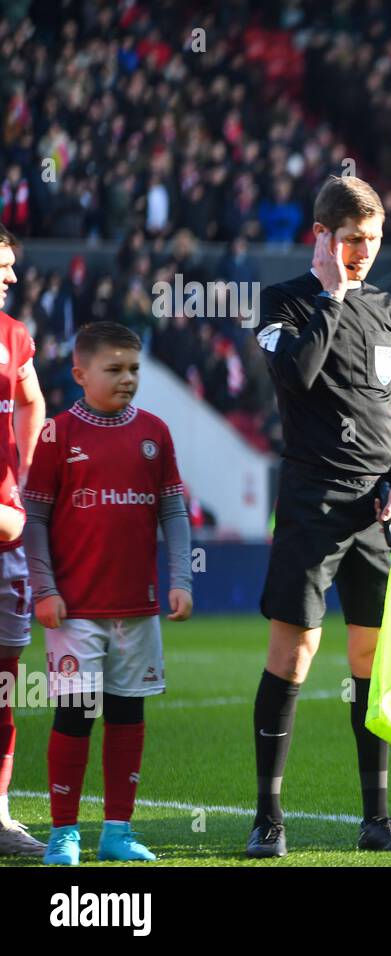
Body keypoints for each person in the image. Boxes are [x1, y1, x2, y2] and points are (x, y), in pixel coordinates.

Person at [249, 176, 391, 858]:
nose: (364, 253)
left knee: (371, 660)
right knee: (294, 653)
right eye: (352, 240)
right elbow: (297, 376)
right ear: (320, 237)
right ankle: (268, 817)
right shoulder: (281, 304)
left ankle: (376, 820)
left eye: (373, 242)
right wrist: (331, 297)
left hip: (380, 509)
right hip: (310, 502)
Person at [24, 322, 193, 864]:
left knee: (127, 716)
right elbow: (34, 519)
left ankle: (117, 831)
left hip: (138, 608)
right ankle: (63, 834)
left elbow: (173, 510)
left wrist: (181, 579)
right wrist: (45, 590)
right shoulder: (57, 434)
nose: (127, 379)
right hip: (75, 611)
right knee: (75, 715)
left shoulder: (155, 432)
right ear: (80, 374)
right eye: (114, 369)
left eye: (134, 370)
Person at [0, 222, 47, 857]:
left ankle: (0, 814)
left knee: (5, 681)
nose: (11, 276)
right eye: (0, 265)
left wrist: (26, 485)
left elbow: (33, 400)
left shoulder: (13, 336)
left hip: (9, 537)